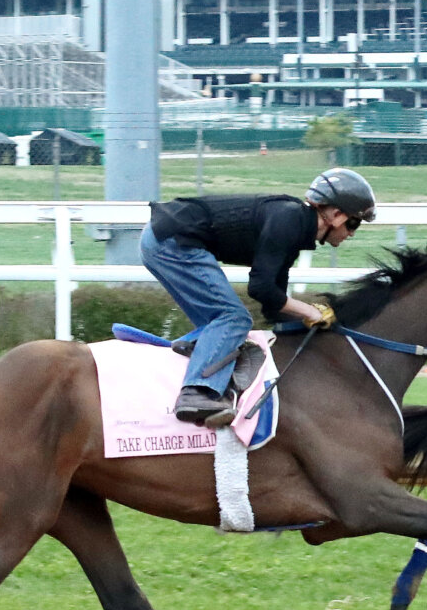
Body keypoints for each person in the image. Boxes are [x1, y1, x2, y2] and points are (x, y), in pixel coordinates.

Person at [140, 167, 377, 427]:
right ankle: (197, 393)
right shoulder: (288, 221)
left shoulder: (293, 226)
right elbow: (261, 289)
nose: (352, 232)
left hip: (163, 236)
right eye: (353, 222)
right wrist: (309, 311)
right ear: (335, 214)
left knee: (219, 324)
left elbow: (273, 303)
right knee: (233, 318)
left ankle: (197, 349)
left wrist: (311, 327)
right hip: (173, 241)